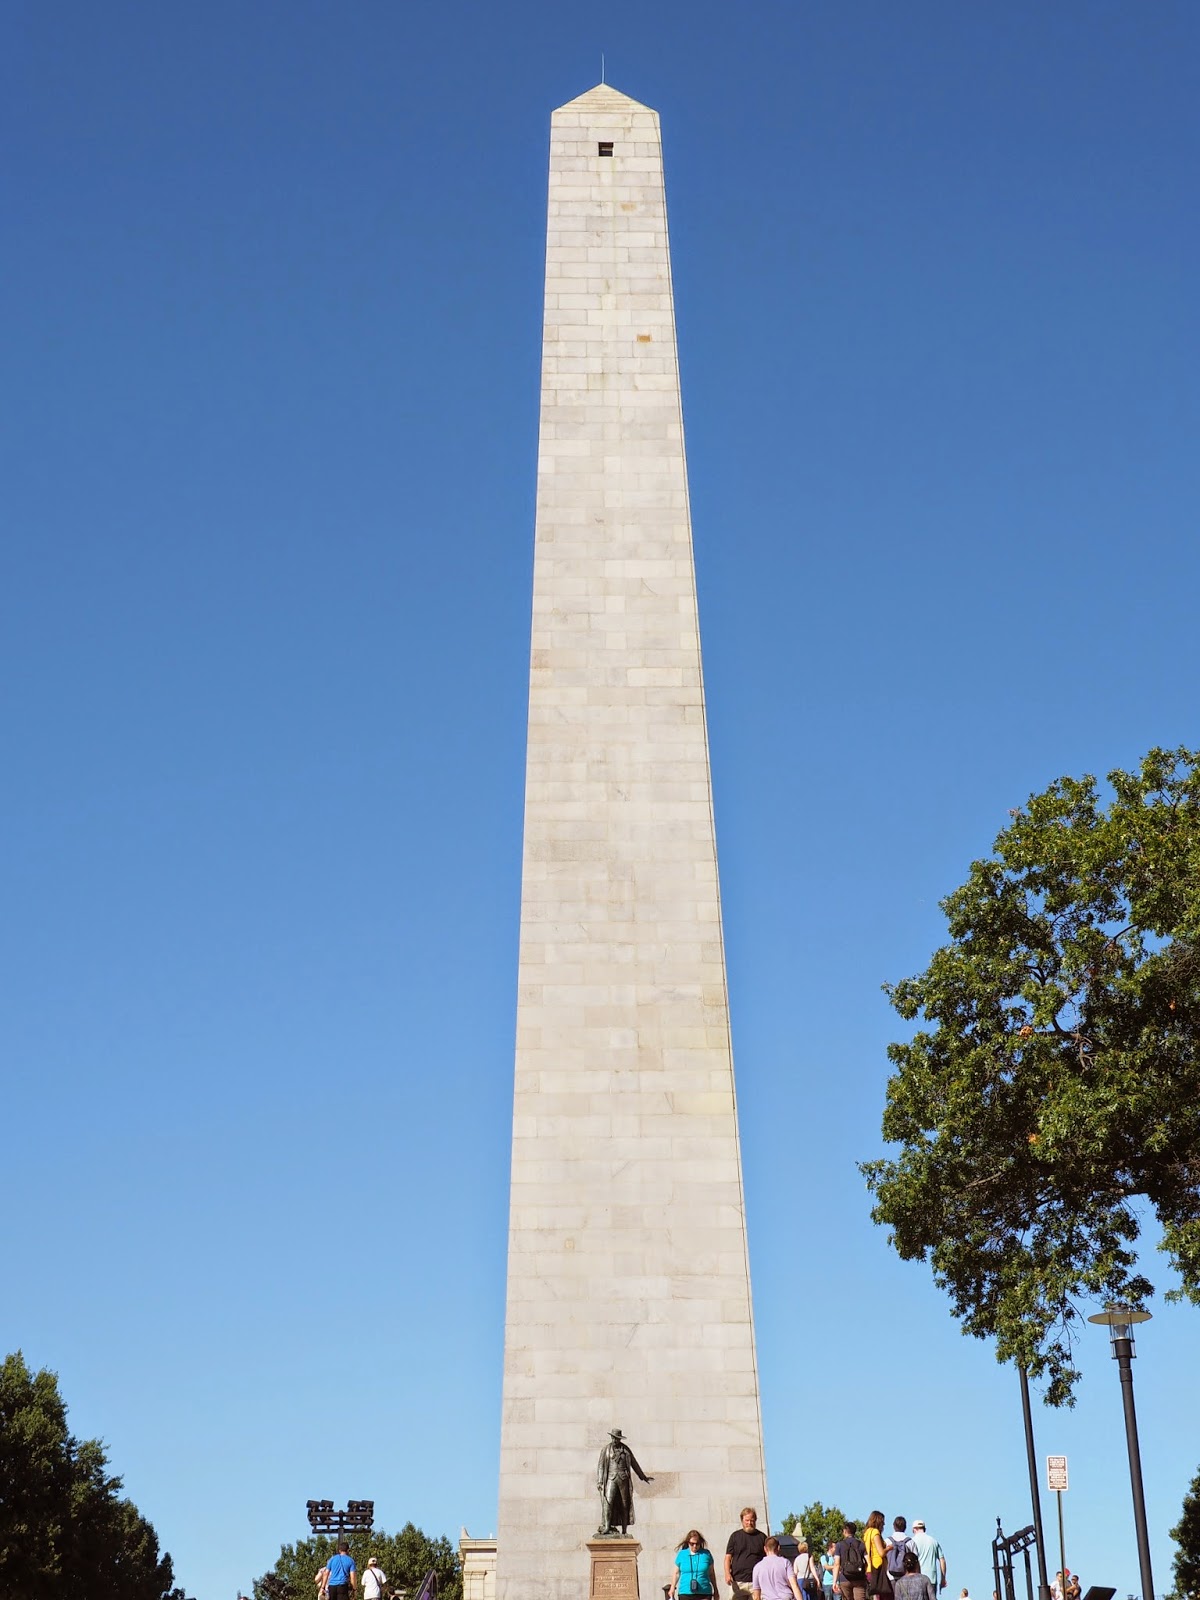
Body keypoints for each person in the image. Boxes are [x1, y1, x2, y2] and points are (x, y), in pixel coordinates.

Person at [597, 1429, 653, 1536]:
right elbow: (600, 1466)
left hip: (623, 1479)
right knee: (608, 1502)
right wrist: (599, 1481)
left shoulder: (626, 1450)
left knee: (624, 1504)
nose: (615, 1440)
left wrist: (643, 1477)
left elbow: (634, 1464)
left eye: (617, 1438)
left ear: (620, 1439)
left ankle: (624, 1531)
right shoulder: (606, 1450)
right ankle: (607, 1526)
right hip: (611, 1478)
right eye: (613, 1438)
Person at [726, 1508, 768, 1599]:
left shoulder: (762, 1537)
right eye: (747, 1520)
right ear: (742, 1520)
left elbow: (768, 1558)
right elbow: (728, 1557)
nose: (749, 1523)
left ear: (755, 1520)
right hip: (738, 1582)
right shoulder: (735, 1536)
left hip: (756, 1583)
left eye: (752, 1520)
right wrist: (727, 1573)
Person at [673, 1530, 719, 1598]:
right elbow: (676, 1573)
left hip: (704, 1593)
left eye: (697, 1544)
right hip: (685, 1592)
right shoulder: (682, 1554)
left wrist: (715, 1589)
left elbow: (711, 1573)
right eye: (692, 1544)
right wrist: (672, 1587)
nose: (695, 1546)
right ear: (688, 1543)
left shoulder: (706, 1554)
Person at [833, 1522, 869, 1600]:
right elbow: (868, 1561)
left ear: (845, 1531)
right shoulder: (861, 1544)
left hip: (845, 1579)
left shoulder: (839, 1545)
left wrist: (834, 1582)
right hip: (859, 1578)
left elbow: (836, 1564)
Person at [909, 1524, 945, 1594]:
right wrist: (943, 1578)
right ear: (924, 1529)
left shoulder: (912, 1541)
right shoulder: (933, 1541)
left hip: (917, 1578)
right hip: (932, 1579)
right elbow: (942, 1560)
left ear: (914, 1529)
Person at [864, 1512, 891, 1600]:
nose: (884, 1524)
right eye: (882, 1521)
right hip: (877, 1567)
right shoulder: (875, 1532)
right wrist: (889, 1548)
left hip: (869, 1567)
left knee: (876, 1595)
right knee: (884, 1595)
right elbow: (881, 1553)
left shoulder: (867, 1532)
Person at [885, 1519, 913, 1585]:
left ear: (894, 1526)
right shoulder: (910, 1542)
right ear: (905, 1527)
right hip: (906, 1577)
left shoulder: (887, 1541)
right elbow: (916, 1560)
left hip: (890, 1576)